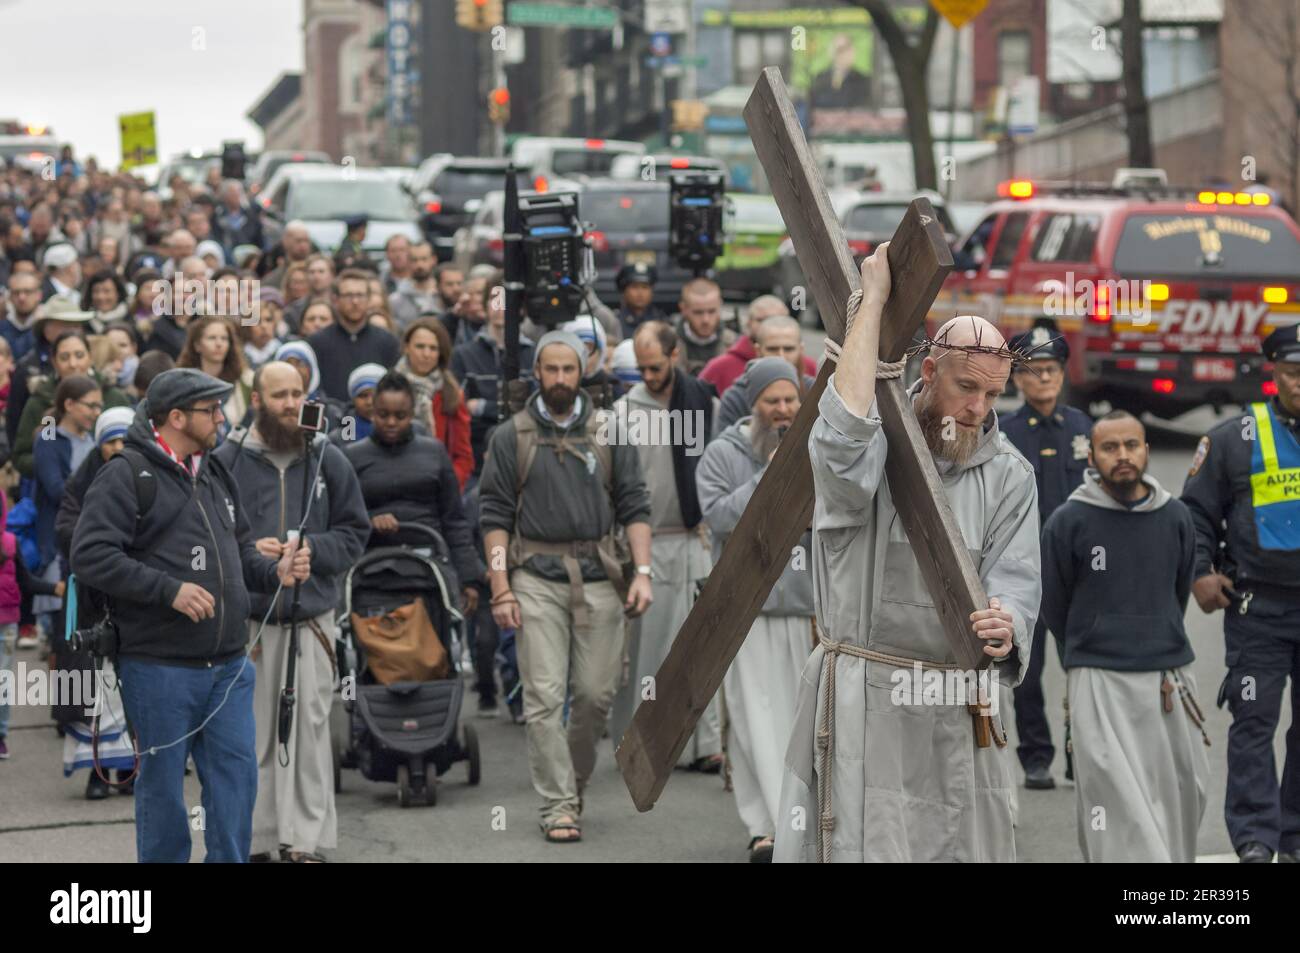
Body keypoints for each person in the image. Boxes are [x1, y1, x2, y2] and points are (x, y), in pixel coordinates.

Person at [774, 247, 1041, 863]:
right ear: (929, 373)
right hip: (868, 701)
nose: (978, 409)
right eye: (966, 387)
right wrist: (869, 304)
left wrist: (1007, 621)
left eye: (994, 393)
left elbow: (1017, 579)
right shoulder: (876, 446)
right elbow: (841, 440)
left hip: (957, 705)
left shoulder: (1010, 476)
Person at [71, 368, 311, 863]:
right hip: (158, 668)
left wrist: (274, 571)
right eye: (211, 409)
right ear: (176, 417)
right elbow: (90, 555)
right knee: (161, 794)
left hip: (228, 665)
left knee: (236, 787)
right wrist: (169, 590)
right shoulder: (126, 473)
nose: (222, 417)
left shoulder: (215, 470)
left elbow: (241, 548)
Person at [479, 329, 653, 843]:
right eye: (550, 369)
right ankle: (557, 805)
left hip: (600, 577)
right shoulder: (510, 435)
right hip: (534, 578)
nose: (559, 379)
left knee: (595, 695)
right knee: (544, 696)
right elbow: (493, 517)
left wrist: (642, 573)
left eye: (568, 369)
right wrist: (499, 586)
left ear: (583, 374)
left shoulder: (609, 431)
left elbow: (635, 505)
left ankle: (572, 784)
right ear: (536, 372)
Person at [214, 361, 370, 864]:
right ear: (256, 400)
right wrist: (248, 553)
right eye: (278, 394)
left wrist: (315, 553)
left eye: (296, 393)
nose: (288, 403)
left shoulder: (330, 458)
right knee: (251, 736)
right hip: (250, 623)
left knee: (308, 733)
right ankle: (259, 841)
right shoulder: (227, 460)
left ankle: (304, 843)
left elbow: (354, 532)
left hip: (312, 620)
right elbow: (211, 536)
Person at [1040, 411, 1207, 862]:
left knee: (1181, 795)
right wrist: (1093, 640)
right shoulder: (1067, 521)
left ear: (1146, 451)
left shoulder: (1175, 516)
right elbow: (1055, 606)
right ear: (1092, 457)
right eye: (1110, 448)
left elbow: (1177, 591)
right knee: (1112, 805)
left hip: (1167, 680)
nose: (1123, 456)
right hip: (1098, 680)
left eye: (1131, 445)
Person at [1181, 323, 1300, 863]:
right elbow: (1195, 515)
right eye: (1295, 372)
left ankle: (1294, 832)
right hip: (1258, 608)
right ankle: (1256, 838)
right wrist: (1199, 572)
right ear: (1275, 372)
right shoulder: (1235, 438)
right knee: (1254, 722)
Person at [696, 357, 814, 862]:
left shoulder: (814, 446)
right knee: (752, 722)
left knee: (797, 722)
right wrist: (768, 474)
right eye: (774, 401)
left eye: (790, 400)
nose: (784, 410)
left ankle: (800, 822)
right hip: (746, 612)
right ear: (753, 405)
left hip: (803, 607)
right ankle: (764, 826)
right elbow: (719, 518)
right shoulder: (722, 454)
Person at [606, 321, 721, 770]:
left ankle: (701, 744)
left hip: (693, 539)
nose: (648, 377)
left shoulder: (701, 401)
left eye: (655, 367)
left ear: (674, 356)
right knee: (646, 653)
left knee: (697, 648)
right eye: (641, 368)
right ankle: (642, 742)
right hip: (645, 544)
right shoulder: (621, 413)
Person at [998, 325, 1093, 791]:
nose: (1044, 380)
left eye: (1052, 370)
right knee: (1028, 673)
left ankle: (1080, 754)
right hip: (1026, 572)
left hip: (1077, 573)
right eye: (1034, 372)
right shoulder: (1004, 431)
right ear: (1017, 378)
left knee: (1082, 668)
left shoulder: (1083, 428)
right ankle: (1036, 757)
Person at [53, 405, 134, 798]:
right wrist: (99, 543)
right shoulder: (80, 483)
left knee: (127, 686)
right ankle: (96, 771)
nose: (118, 448)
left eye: (125, 440)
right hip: (89, 598)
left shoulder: (143, 480)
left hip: (130, 596)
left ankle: (128, 770)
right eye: (111, 441)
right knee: (92, 686)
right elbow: (66, 528)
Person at [342, 373, 482, 594]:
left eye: (400, 416)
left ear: (412, 414)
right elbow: (343, 519)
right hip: (371, 567)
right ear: (373, 413)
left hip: (430, 562)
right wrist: (370, 521)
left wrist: (469, 579)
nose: (391, 422)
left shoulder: (435, 452)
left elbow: (454, 520)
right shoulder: (352, 456)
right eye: (383, 414)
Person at [13, 329, 131, 478]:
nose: (73, 364)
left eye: (79, 355)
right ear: (54, 362)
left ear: (90, 358)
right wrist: (51, 466)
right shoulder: (41, 402)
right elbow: (22, 456)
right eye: (64, 357)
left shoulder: (113, 398)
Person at [451, 272, 535, 479]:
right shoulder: (463, 354)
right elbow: (461, 410)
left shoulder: (533, 355)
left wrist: (481, 406)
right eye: (493, 299)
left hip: (526, 455)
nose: (499, 307)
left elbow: (532, 409)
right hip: (475, 458)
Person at [394, 318, 473, 489]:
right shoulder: (389, 387)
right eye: (420, 346)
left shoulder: (451, 393)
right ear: (407, 347)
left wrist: (448, 484)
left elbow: (463, 456)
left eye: (433, 348)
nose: (426, 354)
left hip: (436, 484)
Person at [308, 269, 400, 402]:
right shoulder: (317, 342)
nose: (355, 301)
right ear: (335, 300)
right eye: (348, 295)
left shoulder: (387, 341)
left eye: (360, 295)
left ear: (369, 299)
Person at [713, 315, 815, 434]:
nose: (781, 356)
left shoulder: (814, 392)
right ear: (758, 350)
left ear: (801, 350)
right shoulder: (736, 397)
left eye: (788, 349)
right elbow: (727, 448)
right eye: (772, 349)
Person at [699, 295, 814, 396]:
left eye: (777, 319)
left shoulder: (808, 367)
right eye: (761, 320)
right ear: (748, 323)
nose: (770, 325)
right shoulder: (720, 367)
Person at [177, 315, 254, 439]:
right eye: (212, 338)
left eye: (224, 339)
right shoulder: (183, 381)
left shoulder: (246, 380)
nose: (219, 344)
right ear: (197, 345)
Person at [273, 340, 344, 432]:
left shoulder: (332, 411)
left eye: (300, 363)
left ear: (311, 369)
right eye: (287, 363)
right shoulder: (267, 407)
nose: (293, 369)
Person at [672, 278, 734, 376]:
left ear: (720, 306)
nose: (706, 320)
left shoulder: (734, 344)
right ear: (683, 309)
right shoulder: (668, 344)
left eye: (712, 311)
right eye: (698, 312)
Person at [387, 242, 440, 329]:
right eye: (414, 260)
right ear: (408, 262)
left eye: (424, 259)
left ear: (433, 260)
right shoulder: (395, 300)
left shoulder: (444, 293)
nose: (419, 265)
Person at [333, 362, 386, 445]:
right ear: (353, 399)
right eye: (363, 395)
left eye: (375, 395)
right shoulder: (339, 438)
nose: (369, 402)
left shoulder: (398, 432)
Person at [614, 262, 667, 340]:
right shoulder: (615, 321)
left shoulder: (662, 321)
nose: (640, 293)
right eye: (634, 287)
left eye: (645, 287)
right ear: (624, 291)